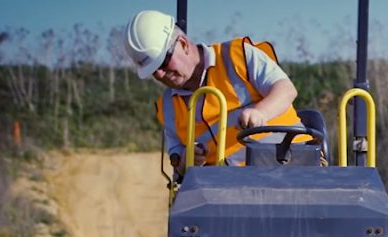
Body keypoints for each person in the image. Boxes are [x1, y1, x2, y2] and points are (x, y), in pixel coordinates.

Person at [124, 10, 310, 175]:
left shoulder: (239, 56)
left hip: (294, 164)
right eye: (153, 71)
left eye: (163, 62)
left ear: (183, 44)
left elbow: (286, 90)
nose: (160, 74)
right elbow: (177, 160)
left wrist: (261, 112)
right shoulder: (168, 108)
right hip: (226, 194)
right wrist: (186, 161)